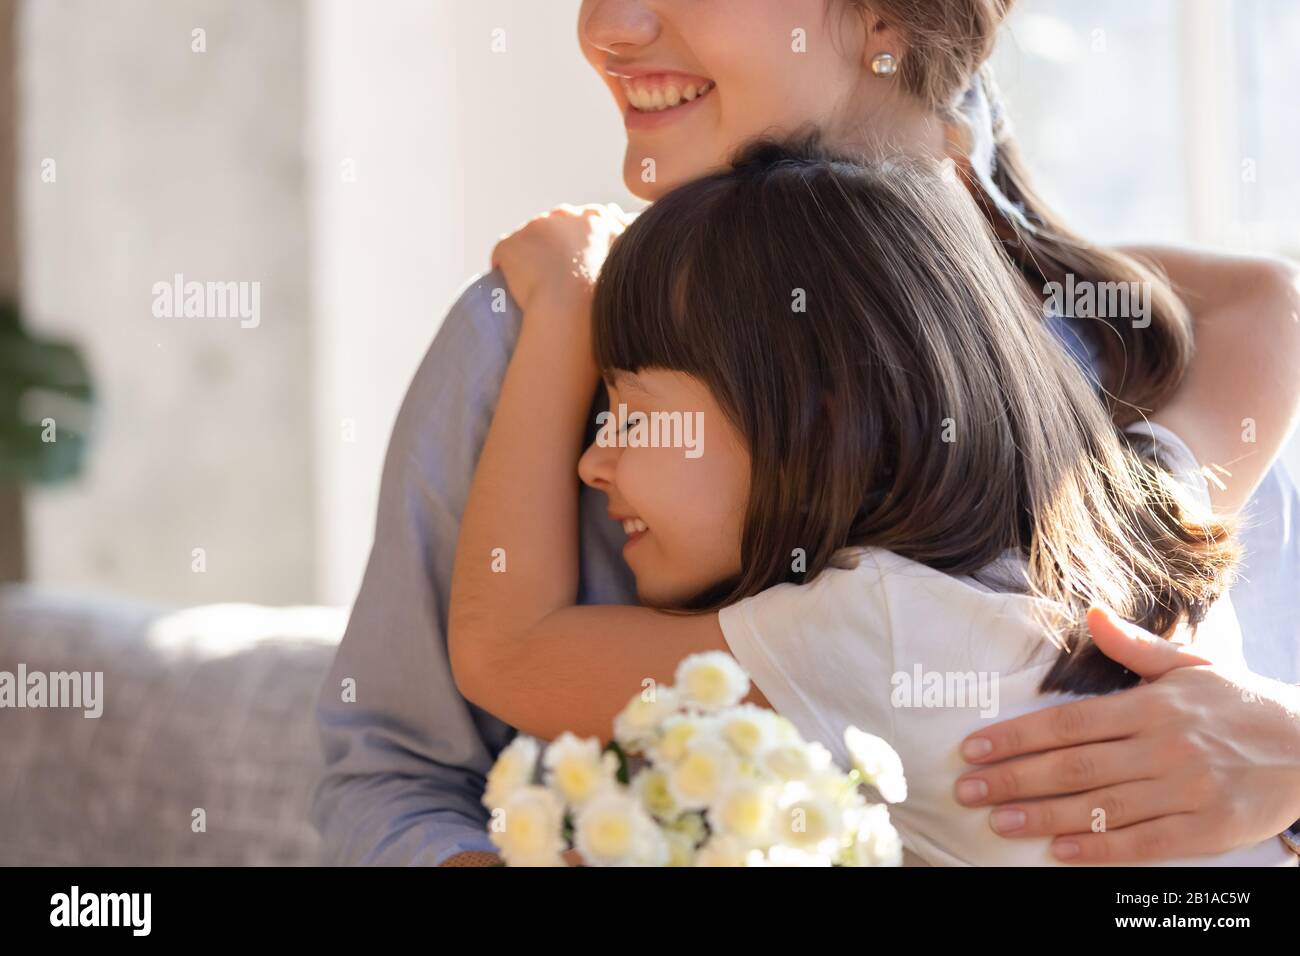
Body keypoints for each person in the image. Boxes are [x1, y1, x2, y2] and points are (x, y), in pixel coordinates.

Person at [311, 0, 1300, 866]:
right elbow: (391, 777)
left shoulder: (1144, 370)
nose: (602, 27)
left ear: (886, 14)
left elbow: (511, 651)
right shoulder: (527, 339)